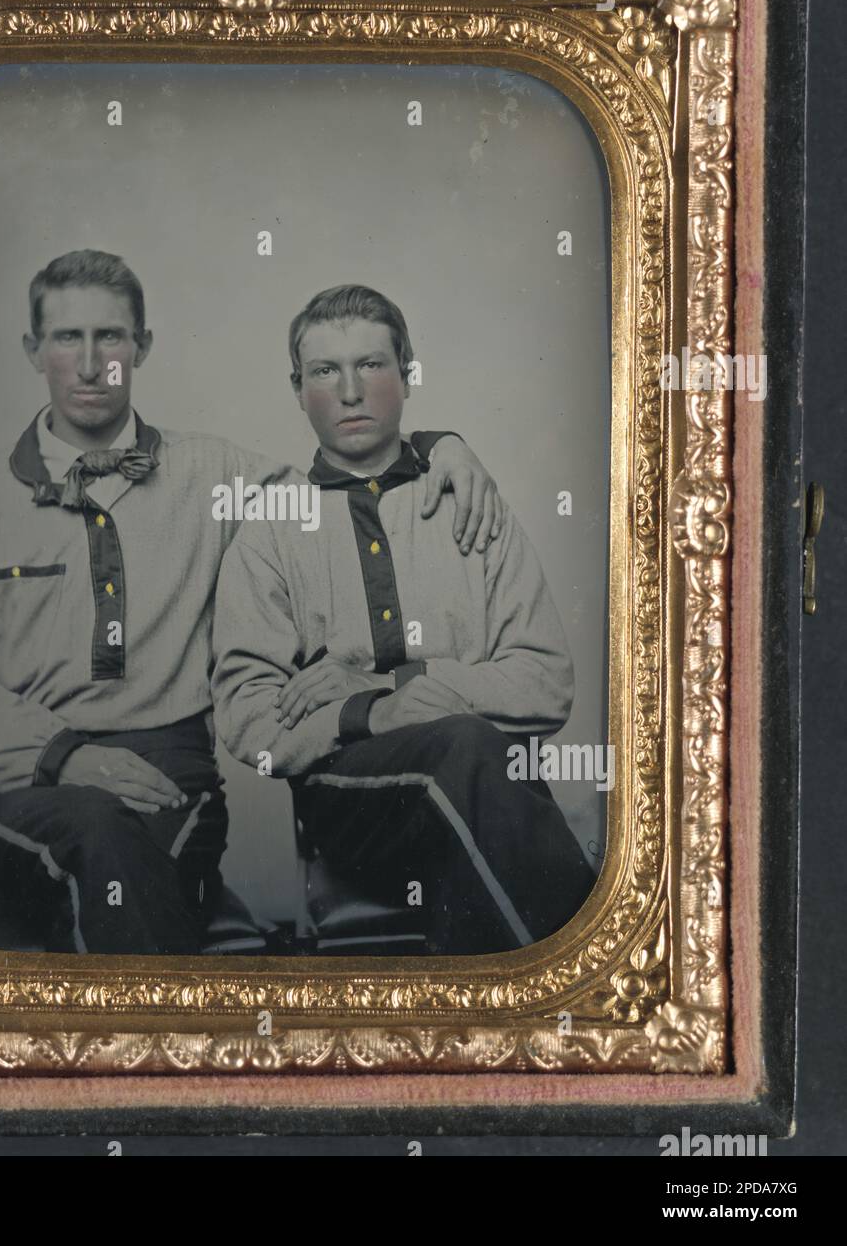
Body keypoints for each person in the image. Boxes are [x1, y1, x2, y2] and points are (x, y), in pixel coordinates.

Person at [0, 251, 505, 954]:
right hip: (27, 790)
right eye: (68, 338)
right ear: (34, 350)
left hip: (175, 780)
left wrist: (441, 446)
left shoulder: (213, 473)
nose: (92, 362)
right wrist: (61, 758)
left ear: (142, 347)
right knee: (99, 843)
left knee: (131, 876)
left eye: (112, 338)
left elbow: (335, 486)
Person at [211, 284, 597, 954]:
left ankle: (510, 1010)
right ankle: (575, 991)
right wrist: (362, 719)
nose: (351, 391)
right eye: (326, 372)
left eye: (371, 365)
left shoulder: (468, 505)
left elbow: (546, 682)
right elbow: (249, 722)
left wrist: (395, 687)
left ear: (407, 374)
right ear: (298, 388)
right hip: (355, 807)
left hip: (484, 782)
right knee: (471, 750)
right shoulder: (269, 531)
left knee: (472, 754)